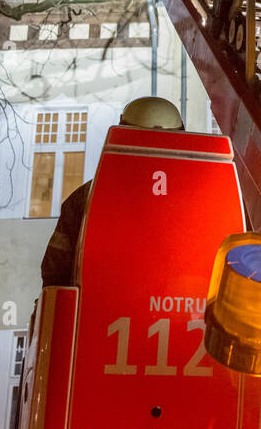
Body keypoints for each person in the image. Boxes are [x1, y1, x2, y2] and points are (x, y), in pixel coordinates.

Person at [40, 97, 185, 287]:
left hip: (99, 311)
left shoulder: (87, 196)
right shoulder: (203, 195)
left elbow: (55, 272)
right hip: (185, 309)